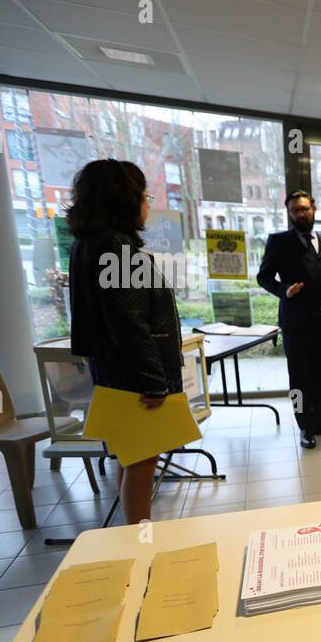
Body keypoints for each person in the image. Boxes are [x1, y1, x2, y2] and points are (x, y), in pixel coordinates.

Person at [66, 159, 183, 526]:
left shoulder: (87, 244)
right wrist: (154, 379)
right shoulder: (118, 249)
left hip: (110, 370)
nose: (147, 203)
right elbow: (129, 322)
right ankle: (139, 543)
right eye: (145, 195)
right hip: (133, 377)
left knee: (128, 457)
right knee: (143, 460)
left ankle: (128, 536)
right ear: (126, 199)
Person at [257, 190, 321, 448]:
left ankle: (319, 420)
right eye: (294, 211)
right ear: (289, 213)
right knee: (299, 379)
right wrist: (284, 291)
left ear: (314, 208)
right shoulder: (278, 242)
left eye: (304, 209)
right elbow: (264, 277)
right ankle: (304, 425)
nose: (300, 214)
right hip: (296, 325)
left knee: (319, 376)